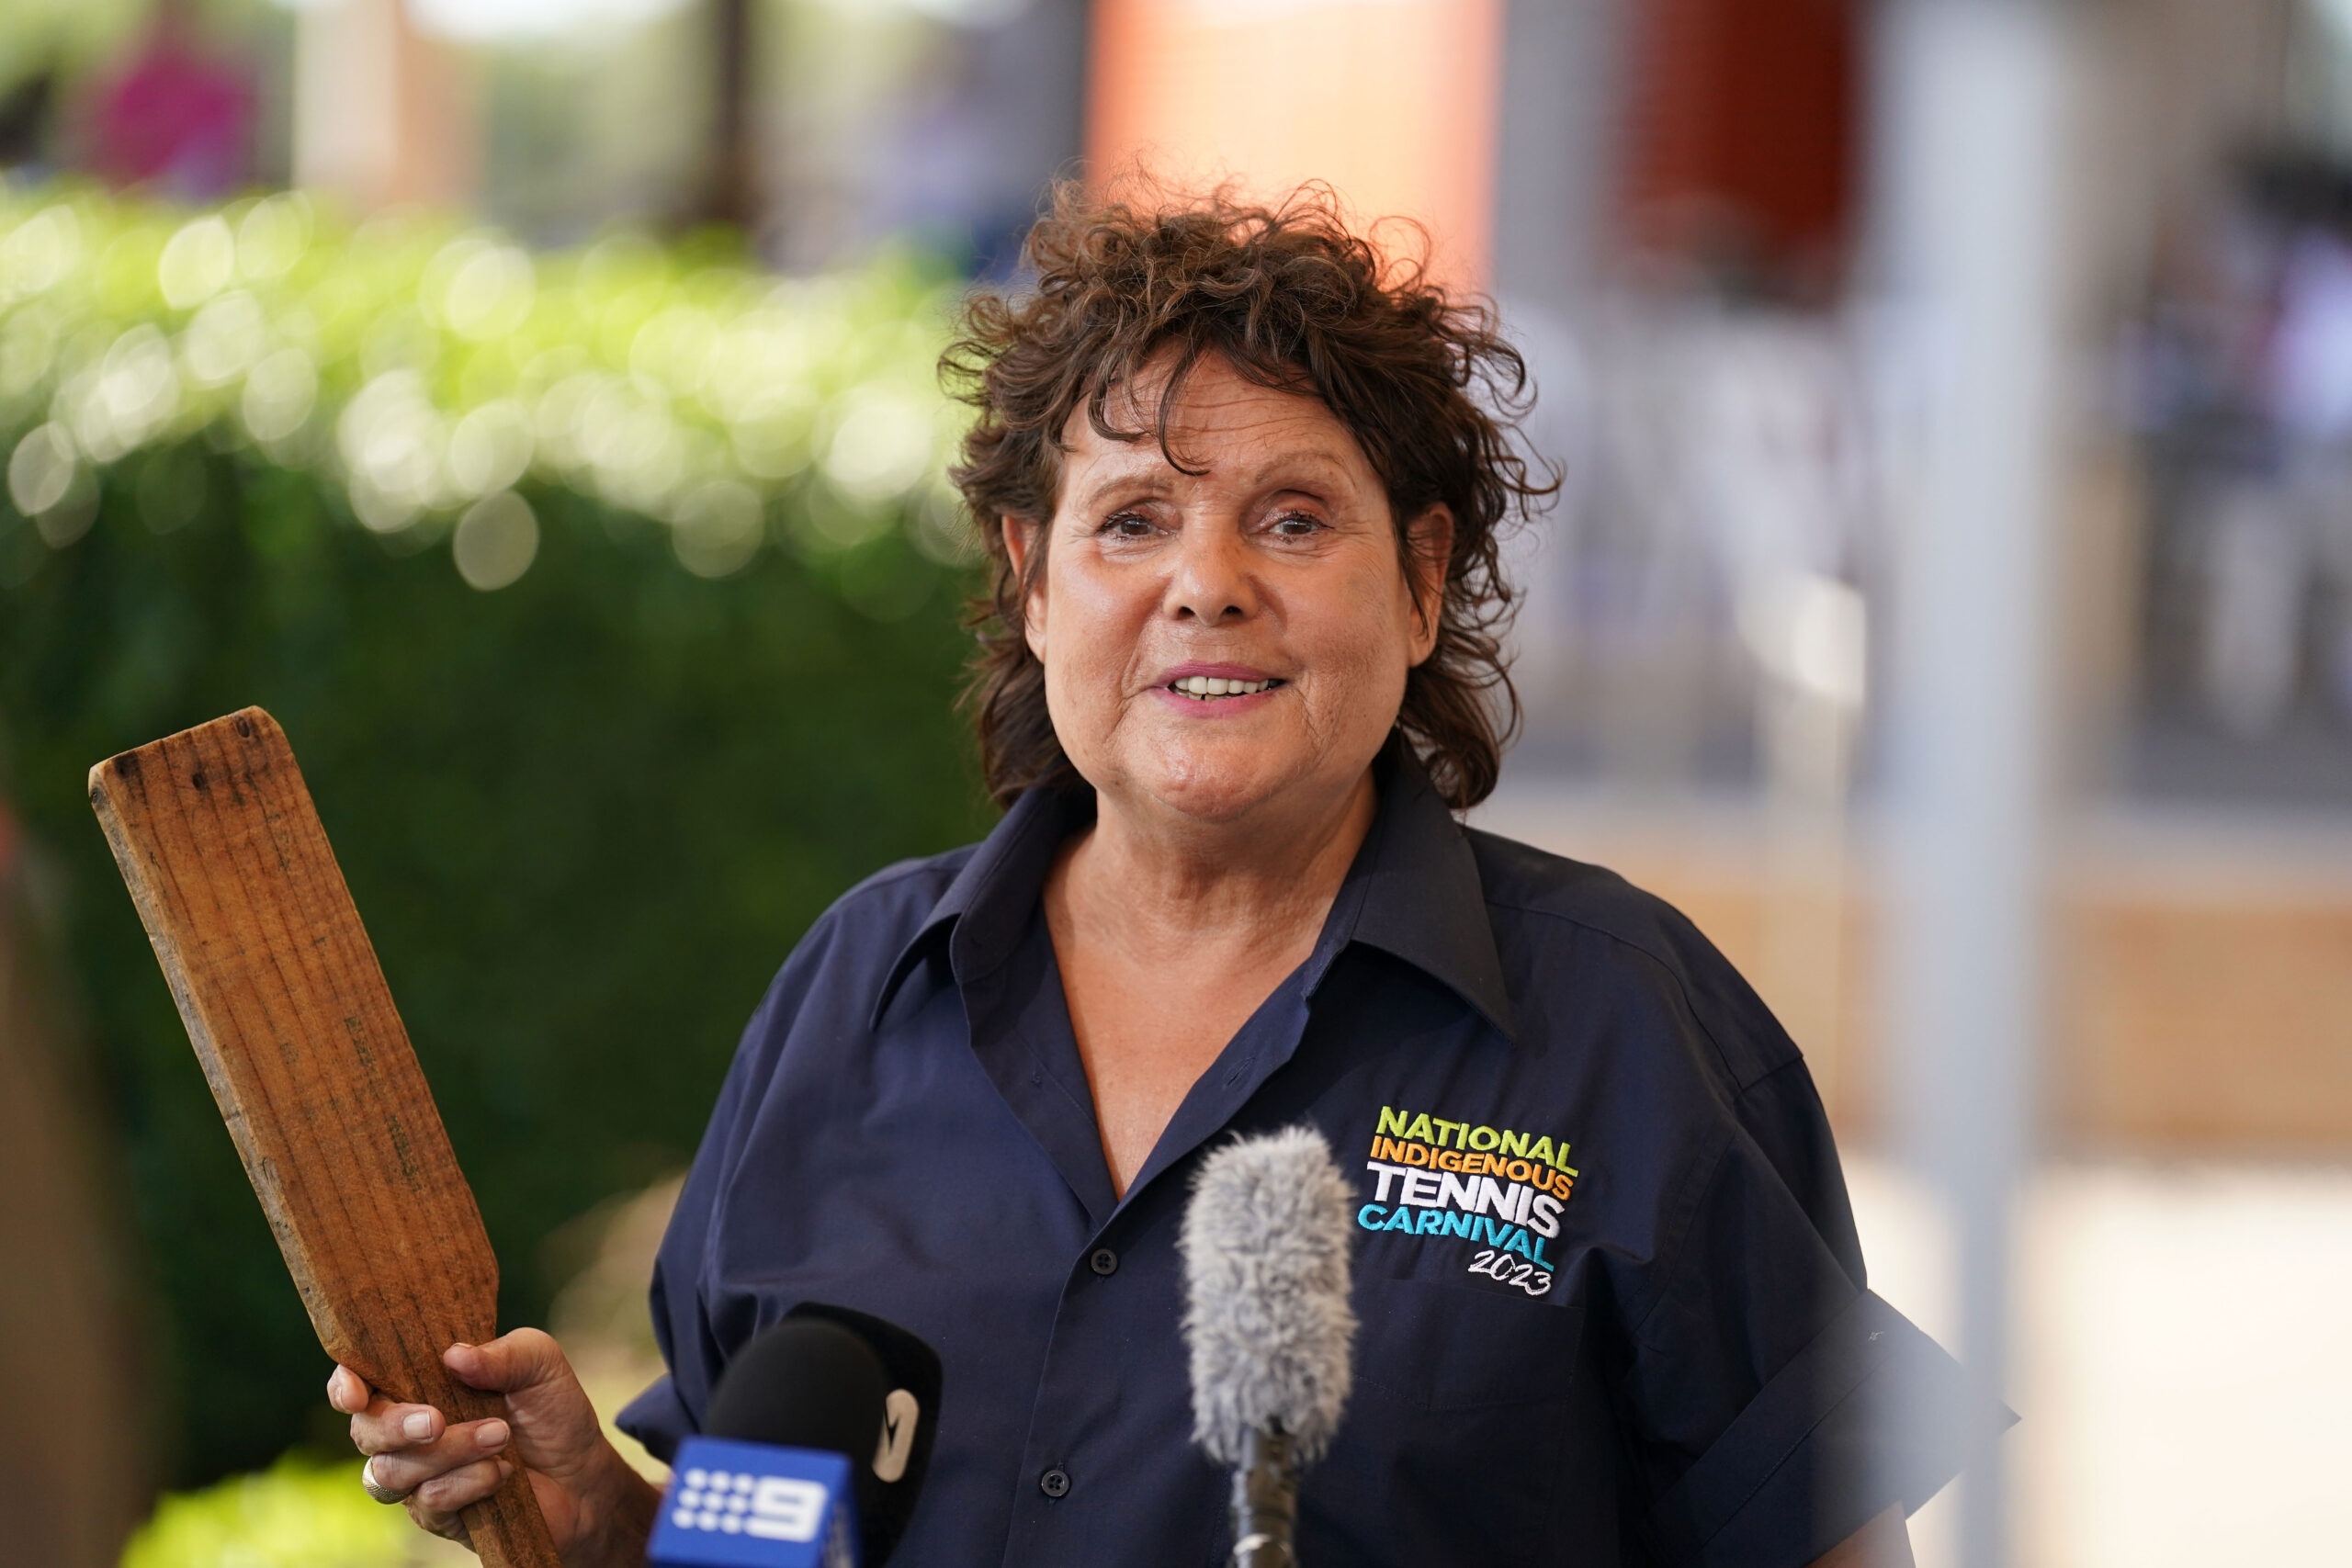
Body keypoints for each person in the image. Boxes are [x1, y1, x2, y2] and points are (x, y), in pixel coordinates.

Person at [331, 185, 1996, 1567]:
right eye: (1131, 520)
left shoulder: (1621, 1025)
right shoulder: (858, 988)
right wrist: (602, 1521)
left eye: (1292, 519)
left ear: (1421, 587)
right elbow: (750, 1531)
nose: (1207, 585)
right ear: (1035, 584)